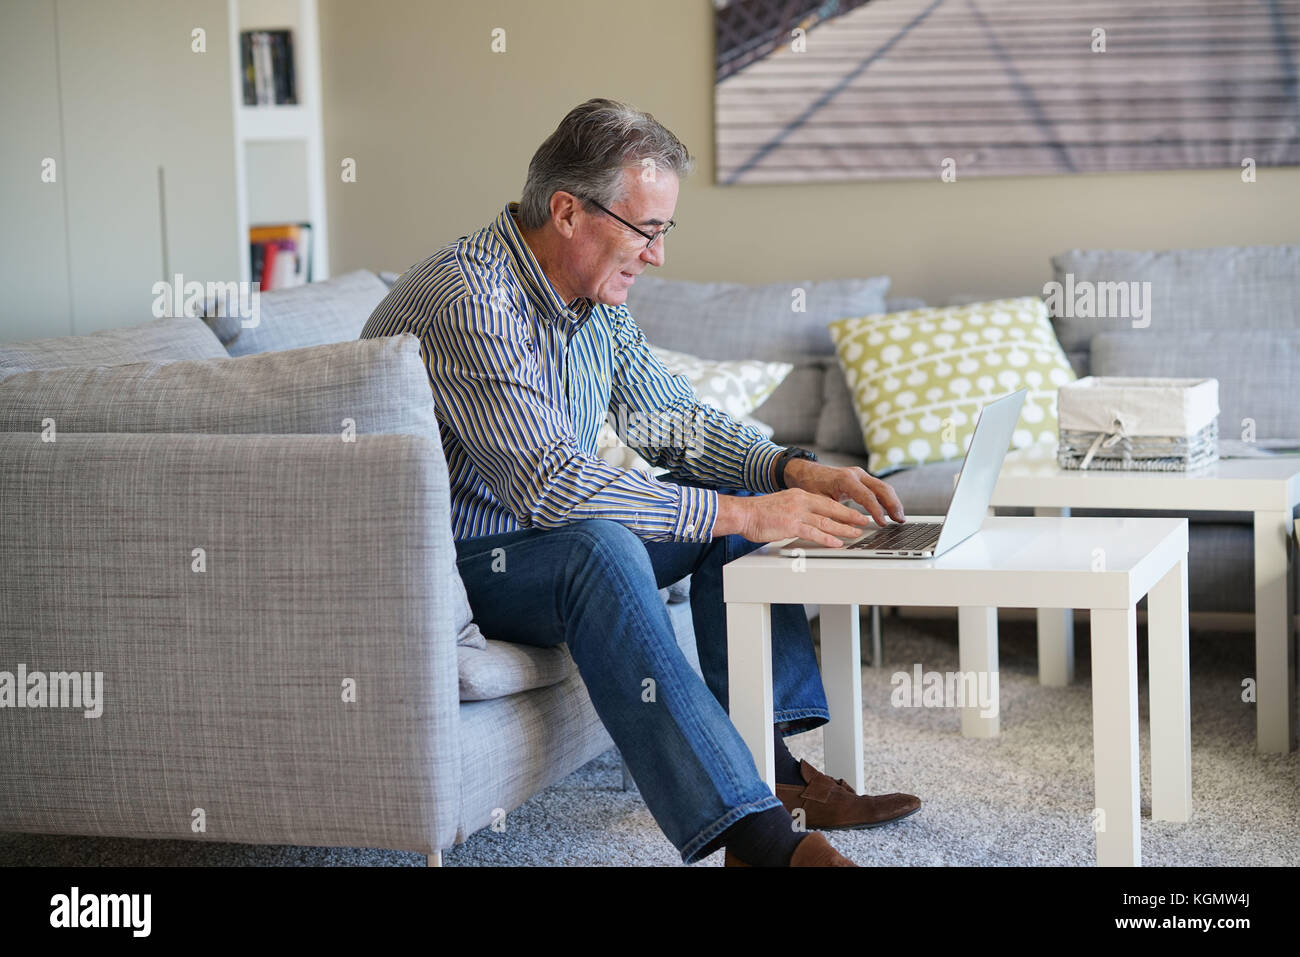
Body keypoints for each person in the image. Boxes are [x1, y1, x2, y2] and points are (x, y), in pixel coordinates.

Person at [360, 98, 920, 867]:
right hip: (460, 566)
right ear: (566, 211)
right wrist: (744, 509)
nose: (657, 255)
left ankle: (778, 770)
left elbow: (673, 426)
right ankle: (755, 843)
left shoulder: (592, 305)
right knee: (613, 543)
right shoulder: (470, 300)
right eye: (645, 228)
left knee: (728, 527)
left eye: (665, 230)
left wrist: (790, 470)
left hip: (543, 542)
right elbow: (549, 485)